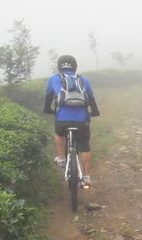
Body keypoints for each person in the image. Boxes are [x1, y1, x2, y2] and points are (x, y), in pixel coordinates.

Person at [43, 54, 100, 188]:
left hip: (63, 119)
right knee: (85, 146)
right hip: (82, 120)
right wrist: (95, 112)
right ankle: (86, 178)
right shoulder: (83, 79)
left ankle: (62, 159)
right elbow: (91, 98)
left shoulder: (54, 78)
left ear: (59, 66)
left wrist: (48, 109)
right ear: (75, 67)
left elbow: (48, 97)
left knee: (58, 134)